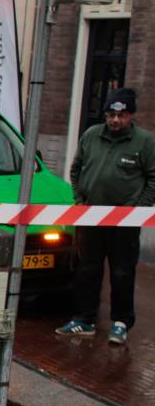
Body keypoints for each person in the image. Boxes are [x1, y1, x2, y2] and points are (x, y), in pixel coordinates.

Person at [57, 88, 155, 345]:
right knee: (87, 268)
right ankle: (84, 319)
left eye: (121, 115)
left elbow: (154, 178)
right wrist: (80, 199)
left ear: (130, 116)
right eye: (111, 114)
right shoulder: (91, 135)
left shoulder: (145, 142)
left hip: (125, 221)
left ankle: (121, 322)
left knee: (122, 272)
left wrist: (138, 209)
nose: (115, 120)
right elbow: (76, 169)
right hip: (91, 216)